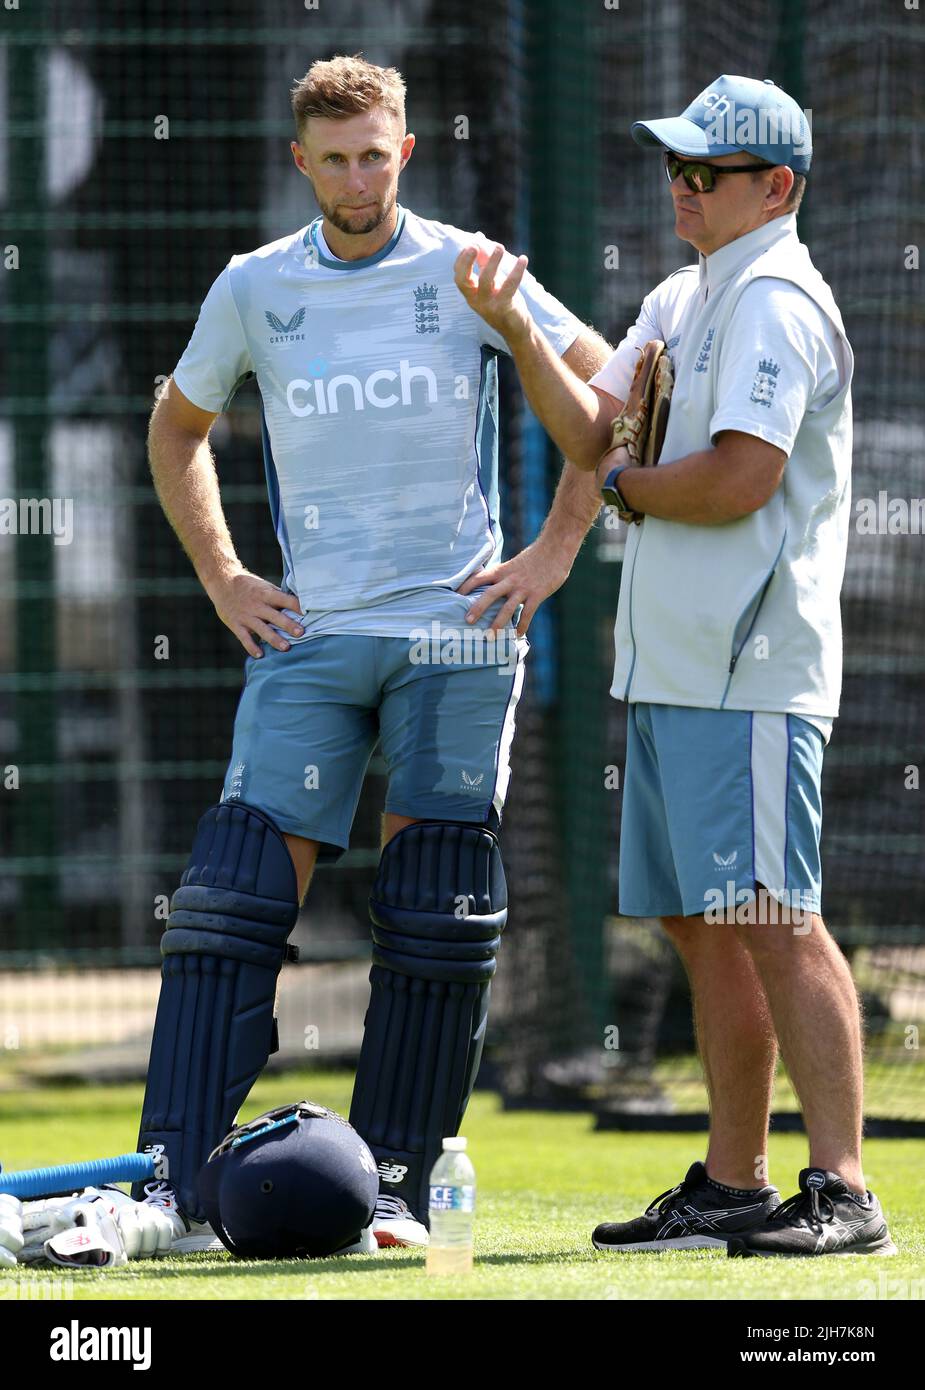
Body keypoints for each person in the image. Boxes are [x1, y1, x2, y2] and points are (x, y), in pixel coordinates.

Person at [132, 55, 610, 1251]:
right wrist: (226, 576)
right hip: (310, 634)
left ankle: (389, 1190)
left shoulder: (472, 269)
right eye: (332, 156)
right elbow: (177, 424)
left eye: (374, 152)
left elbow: (609, 404)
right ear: (301, 162)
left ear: (407, 150)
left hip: (459, 635)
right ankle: (170, 1187)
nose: (356, 174)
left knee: (438, 908)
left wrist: (552, 553)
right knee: (231, 896)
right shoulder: (252, 286)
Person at [456, 75, 896, 1257]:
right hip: (674, 670)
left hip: (750, 669)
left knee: (773, 914)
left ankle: (844, 1192)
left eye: (705, 172)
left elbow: (735, 480)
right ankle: (734, 1182)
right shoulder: (680, 292)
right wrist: (517, 333)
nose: (680, 187)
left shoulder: (778, 301)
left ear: (776, 188)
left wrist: (624, 489)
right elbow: (588, 435)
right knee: (707, 925)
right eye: (675, 166)